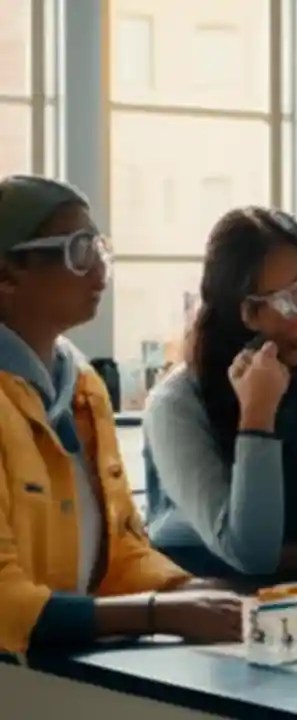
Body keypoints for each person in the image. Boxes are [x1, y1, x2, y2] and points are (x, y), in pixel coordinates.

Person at [0, 175, 241, 654]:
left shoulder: (84, 387)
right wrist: (159, 612)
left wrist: (186, 591)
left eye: (100, 248)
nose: (100, 271)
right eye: (77, 251)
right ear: (6, 274)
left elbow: (120, 552)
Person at [143, 207, 297, 578]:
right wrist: (257, 417)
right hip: (212, 603)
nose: (296, 317)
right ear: (236, 312)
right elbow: (250, 554)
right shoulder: (177, 405)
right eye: (273, 304)